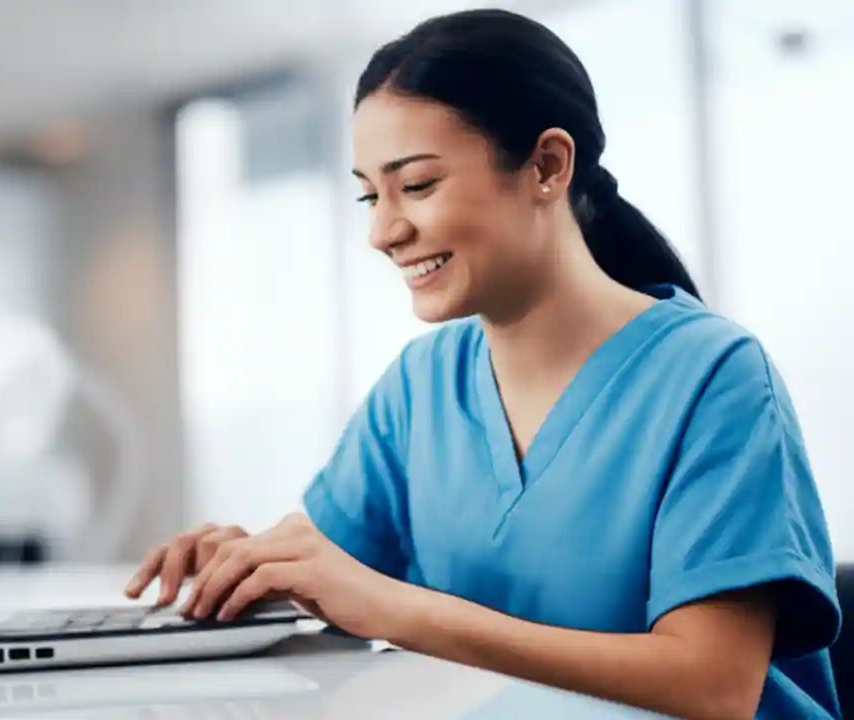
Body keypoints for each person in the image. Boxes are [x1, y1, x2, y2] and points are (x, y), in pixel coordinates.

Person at [123, 9, 842, 720]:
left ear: (547, 167)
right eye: (371, 194)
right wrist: (254, 570)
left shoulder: (714, 377)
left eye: (418, 184)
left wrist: (400, 611)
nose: (382, 231)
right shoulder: (418, 388)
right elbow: (339, 580)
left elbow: (712, 686)